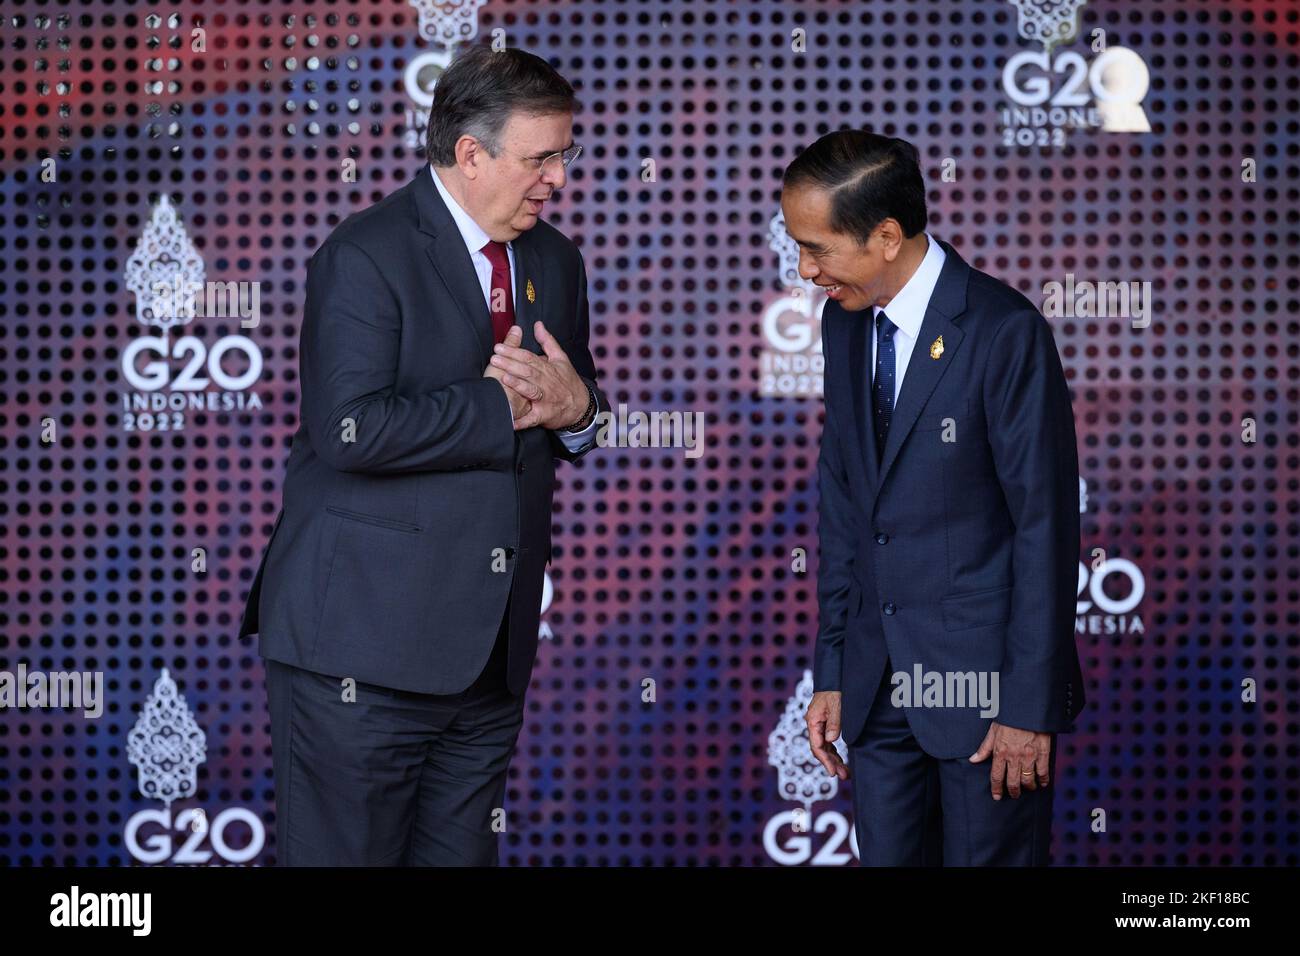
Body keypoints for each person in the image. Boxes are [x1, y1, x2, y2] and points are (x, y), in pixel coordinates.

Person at [237, 45, 606, 865]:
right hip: (359, 652)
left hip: (488, 658)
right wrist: (500, 405)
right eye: (540, 158)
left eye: (564, 155)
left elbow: (566, 401)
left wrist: (580, 409)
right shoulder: (367, 254)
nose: (558, 179)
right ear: (470, 155)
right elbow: (349, 430)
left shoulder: (554, 258)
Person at [791, 130, 1085, 865]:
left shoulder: (1003, 331)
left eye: (818, 248)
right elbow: (846, 504)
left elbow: (1043, 529)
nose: (805, 269)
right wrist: (832, 671)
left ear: (886, 236)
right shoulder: (842, 324)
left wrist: (1027, 707)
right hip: (877, 689)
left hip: (987, 700)